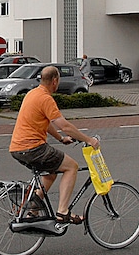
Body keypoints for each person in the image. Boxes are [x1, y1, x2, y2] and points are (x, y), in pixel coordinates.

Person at [8, 65, 100, 224]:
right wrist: (89, 140)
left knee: (51, 173)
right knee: (71, 167)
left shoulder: (32, 94)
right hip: (33, 148)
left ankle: (33, 210)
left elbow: (46, 122)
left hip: (17, 149)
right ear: (55, 81)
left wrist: (60, 139)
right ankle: (63, 212)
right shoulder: (45, 98)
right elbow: (65, 126)